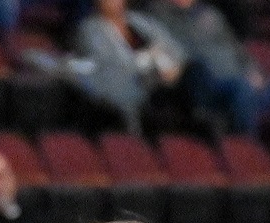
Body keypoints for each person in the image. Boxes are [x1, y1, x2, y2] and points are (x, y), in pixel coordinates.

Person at [149, 0, 270, 135]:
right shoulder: (159, 15)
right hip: (210, 87)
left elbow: (237, 49)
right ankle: (249, 152)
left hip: (244, 81)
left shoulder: (210, 13)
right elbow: (176, 58)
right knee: (242, 89)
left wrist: (255, 72)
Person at [70, 0, 186, 135]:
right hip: (127, 85)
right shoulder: (90, 29)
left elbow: (175, 49)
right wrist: (150, 63)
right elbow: (113, 65)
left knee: (191, 76)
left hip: (166, 79)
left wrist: (173, 66)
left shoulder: (140, 21)